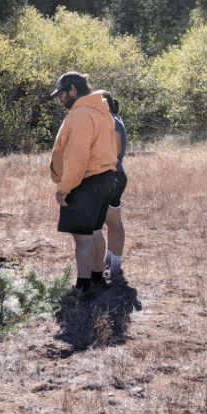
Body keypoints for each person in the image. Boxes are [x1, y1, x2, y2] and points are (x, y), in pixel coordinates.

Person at [49, 72, 118, 299]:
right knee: (95, 231)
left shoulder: (80, 114)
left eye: (61, 93)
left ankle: (83, 287)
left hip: (87, 182)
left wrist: (64, 189)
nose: (60, 98)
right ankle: (97, 280)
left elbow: (78, 157)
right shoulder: (100, 110)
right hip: (105, 180)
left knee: (82, 238)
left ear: (73, 90)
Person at [97, 90, 127, 278]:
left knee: (113, 223)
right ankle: (110, 259)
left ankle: (114, 266)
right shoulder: (112, 119)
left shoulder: (113, 121)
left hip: (112, 176)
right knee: (110, 222)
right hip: (112, 175)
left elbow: (114, 152)